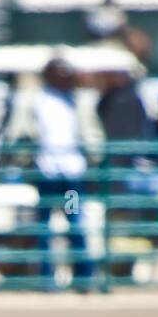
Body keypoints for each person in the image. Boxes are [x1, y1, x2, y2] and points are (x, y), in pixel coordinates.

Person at [33, 58, 94, 290]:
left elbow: (88, 133)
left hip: (71, 172)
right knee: (44, 230)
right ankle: (47, 281)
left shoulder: (77, 101)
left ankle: (84, 280)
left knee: (76, 226)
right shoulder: (38, 101)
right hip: (47, 172)